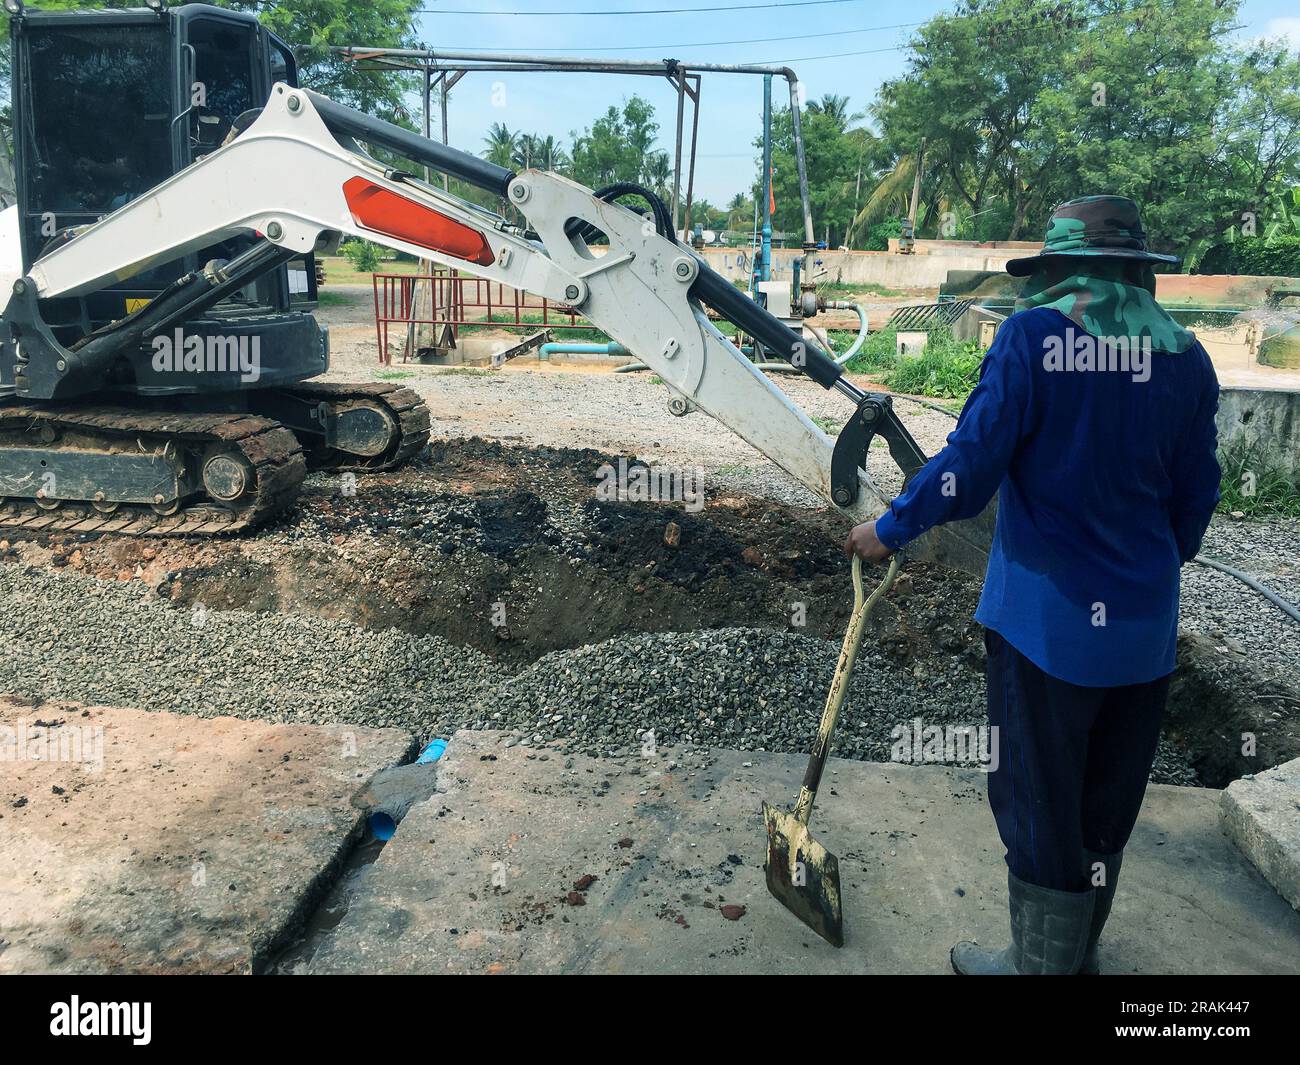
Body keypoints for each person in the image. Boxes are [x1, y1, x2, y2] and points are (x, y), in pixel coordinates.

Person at [844, 195, 1222, 975]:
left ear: (1057, 270)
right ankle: (1078, 956)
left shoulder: (1032, 339)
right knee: (1105, 801)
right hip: (1144, 632)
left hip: (1046, 627)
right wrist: (1151, 564)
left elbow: (969, 470)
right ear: (1139, 273)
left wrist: (886, 529)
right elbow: (1196, 497)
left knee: (1038, 798)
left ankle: (1037, 966)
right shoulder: (1188, 358)